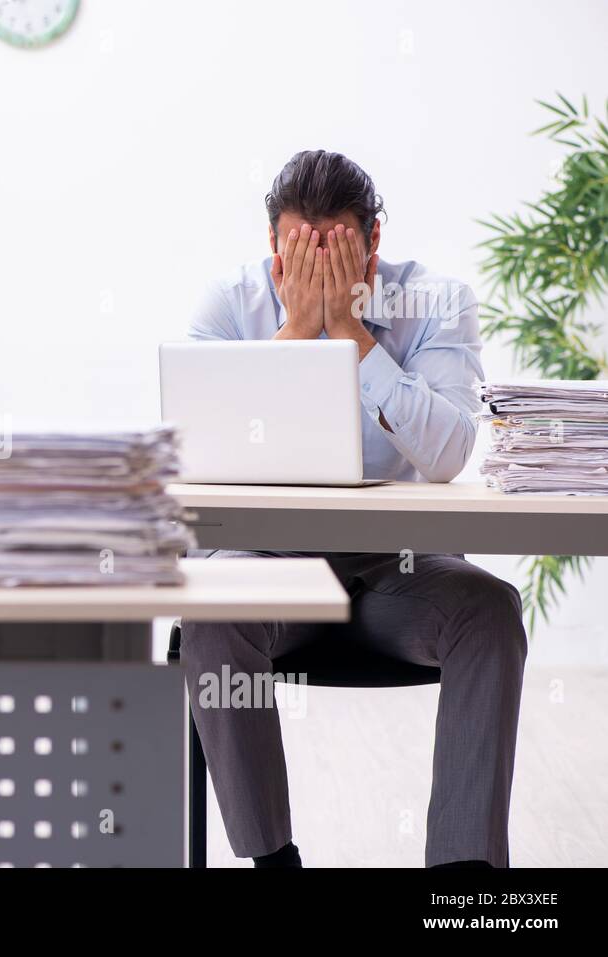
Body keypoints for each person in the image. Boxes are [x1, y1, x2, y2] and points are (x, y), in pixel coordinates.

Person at [182, 149, 527, 868]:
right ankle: (273, 861)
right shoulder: (228, 305)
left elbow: (449, 451)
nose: (312, 272)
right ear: (273, 248)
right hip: (271, 571)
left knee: (489, 610)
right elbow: (202, 452)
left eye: (334, 254)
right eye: (297, 255)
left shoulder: (436, 301)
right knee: (210, 614)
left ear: (373, 246)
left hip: (397, 569)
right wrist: (296, 335)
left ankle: (465, 880)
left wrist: (353, 336)